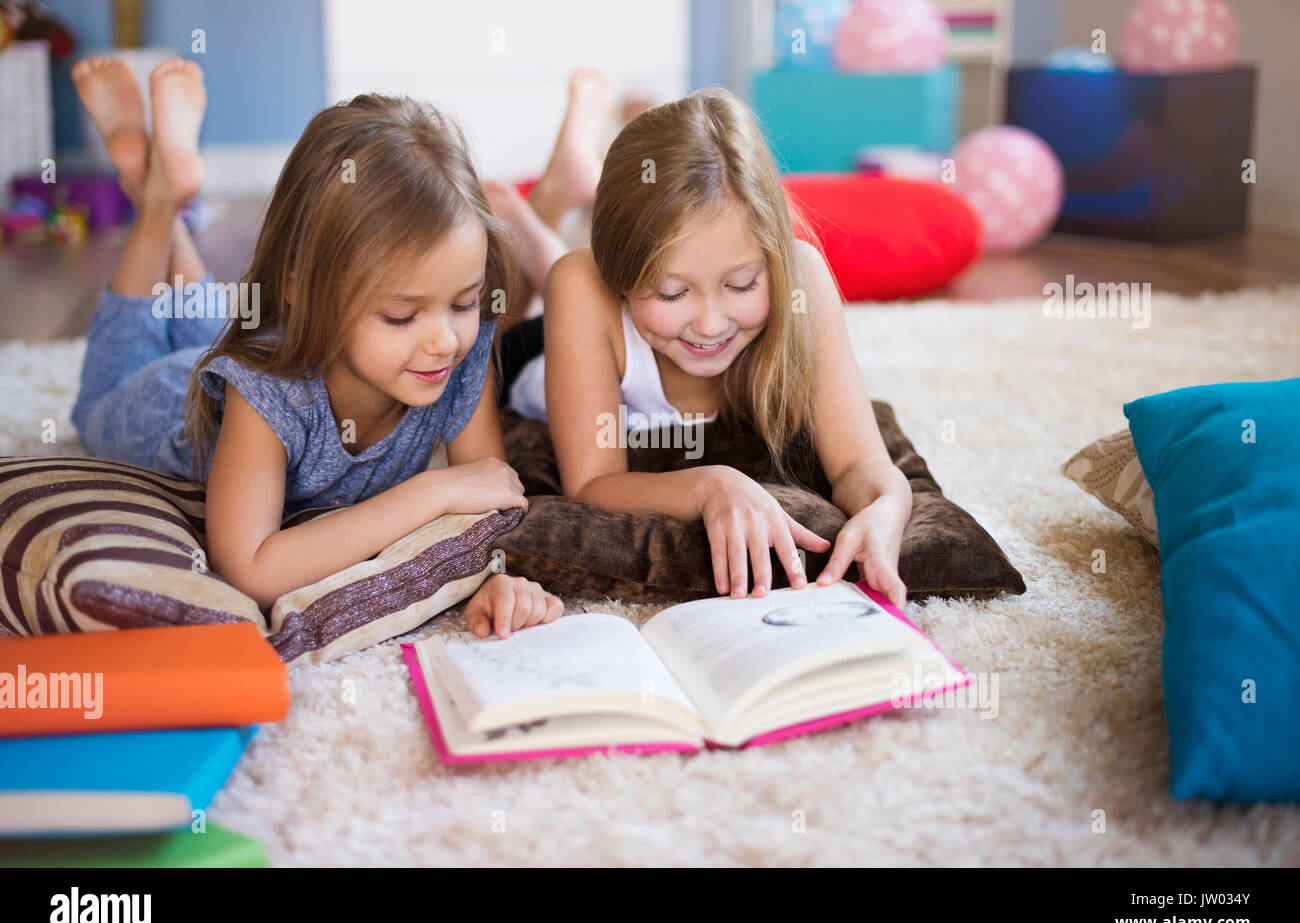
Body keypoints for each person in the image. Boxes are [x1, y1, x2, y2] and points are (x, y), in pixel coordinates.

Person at [67, 56, 562, 639]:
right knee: (115, 376)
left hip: (241, 354)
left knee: (206, 330)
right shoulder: (267, 394)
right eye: (401, 315)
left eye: (463, 302)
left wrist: (498, 579)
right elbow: (248, 566)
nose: (445, 340)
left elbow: (486, 501)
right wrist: (430, 490)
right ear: (302, 288)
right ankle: (156, 205)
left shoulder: (461, 353)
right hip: (158, 401)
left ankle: (163, 185)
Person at [500, 88, 912, 605]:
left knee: (564, 268)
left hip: (611, 313)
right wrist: (710, 484)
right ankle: (544, 201)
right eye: (672, 292)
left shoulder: (802, 274)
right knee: (522, 297)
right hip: (543, 353)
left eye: (741, 285)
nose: (711, 325)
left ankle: (589, 161)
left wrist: (886, 509)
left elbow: (860, 463)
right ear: (621, 277)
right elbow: (592, 483)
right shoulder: (585, 287)